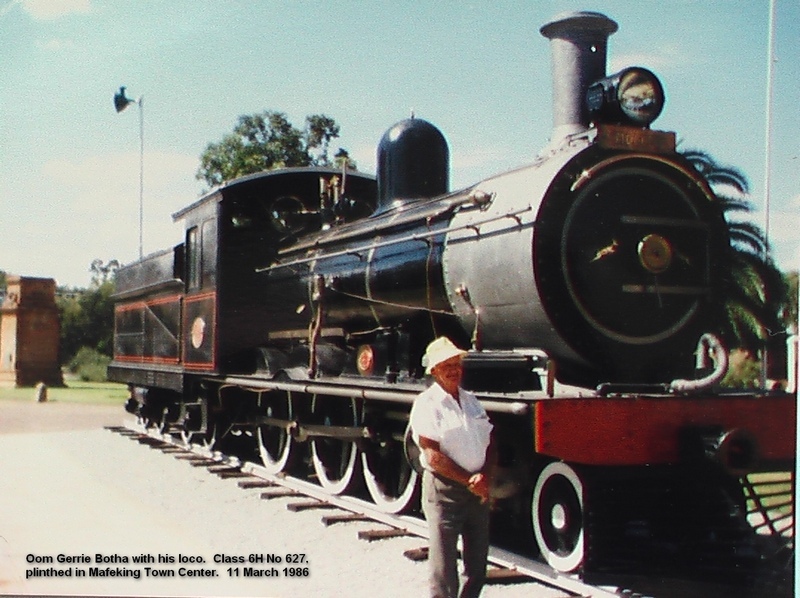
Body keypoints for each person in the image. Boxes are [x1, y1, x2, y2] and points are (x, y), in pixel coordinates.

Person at [409, 336, 495, 598]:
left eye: (456, 363)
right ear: (434, 370)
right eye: (446, 364)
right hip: (444, 490)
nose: (453, 369)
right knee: (444, 568)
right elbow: (433, 455)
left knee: (478, 564)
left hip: (476, 490)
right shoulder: (427, 404)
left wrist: (484, 477)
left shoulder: (471, 400)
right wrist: (469, 480)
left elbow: (489, 441)